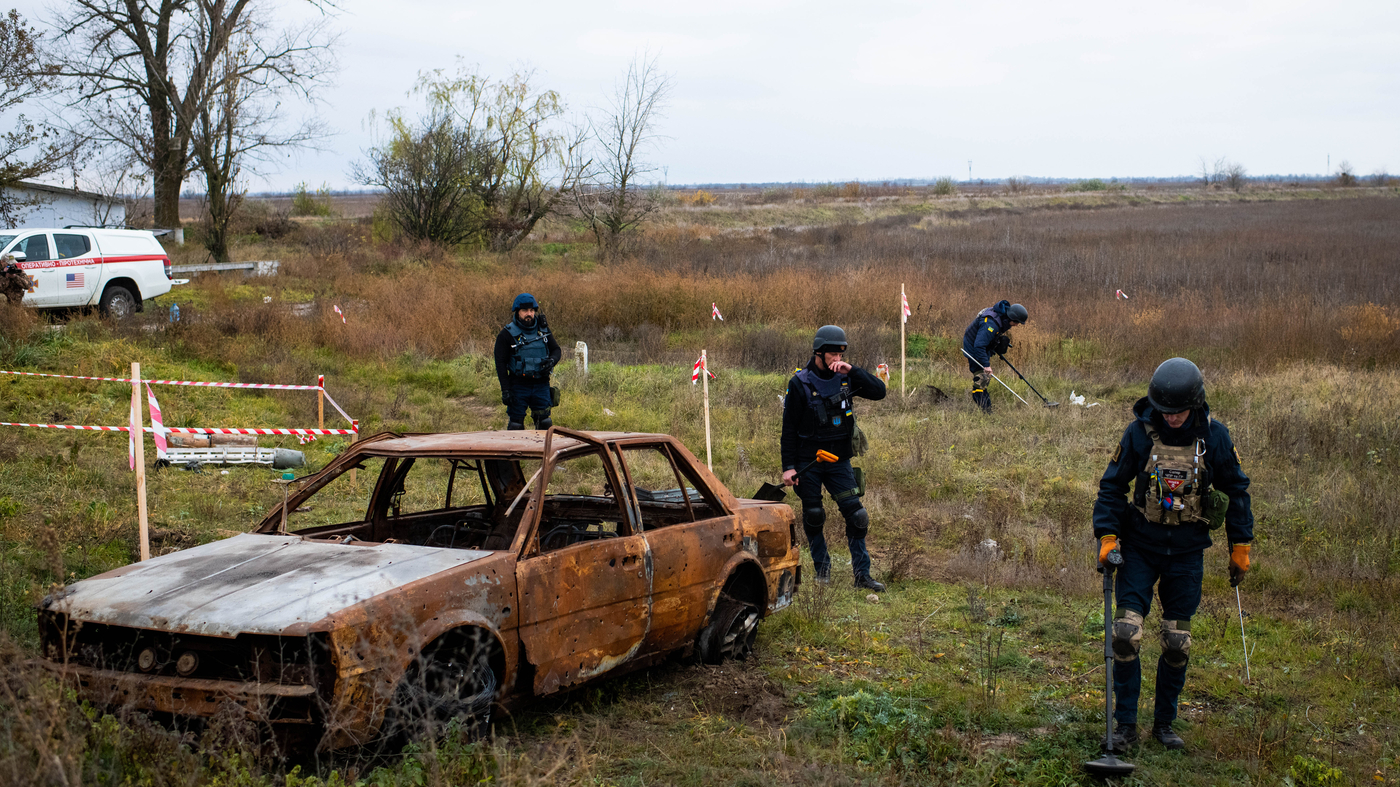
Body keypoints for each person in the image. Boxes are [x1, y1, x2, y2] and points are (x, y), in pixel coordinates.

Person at [1093, 357, 1254, 752]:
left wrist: (1241, 545)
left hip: (1186, 553)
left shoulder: (1215, 438)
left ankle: (1164, 723)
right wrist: (1108, 537)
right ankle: (1125, 726)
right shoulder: (1138, 434)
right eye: (1166, 411)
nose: (1173, 418)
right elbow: (1112, 487)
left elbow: (1237, 491)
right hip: (1139, 549)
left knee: (1177, 642)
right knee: (1125, 635)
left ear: (1195, 403)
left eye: (1180, 411)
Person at [781, 325, 888, 591]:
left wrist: (852, 371)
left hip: (839, 460)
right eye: (832, 354)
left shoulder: (847, 377)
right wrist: (788, 467)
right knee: (814, 515)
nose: (837, 359)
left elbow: (880, 391)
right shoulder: (800, 383)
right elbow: (788, 429)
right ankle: (822, 571)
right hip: (809, 461)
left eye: (841, 354)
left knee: (857, 516)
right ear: (819, 352)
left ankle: (862, 576)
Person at [493, 293, 561, 430]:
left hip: (541, 384)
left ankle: (542, 451)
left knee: (545, 423)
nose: (529, 314)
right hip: (518, 385)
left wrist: (551, 361)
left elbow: (556, 350)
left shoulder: (543, 331)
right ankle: (517, 452)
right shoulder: (507, 334)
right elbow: (500, 363)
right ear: (517, 312)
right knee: (516, 425)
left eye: (531, 310)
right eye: (525, 311)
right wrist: (505, 389)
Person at [961, 300, 1027, 412]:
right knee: (982, 378)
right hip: (973, 349)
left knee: (985, 378)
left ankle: (985, 405)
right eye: (1017, 322)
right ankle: (986, 411)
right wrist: (986, 365)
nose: (1017, 325)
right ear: (1012, 318)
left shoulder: (1001, 317)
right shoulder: (990, 324)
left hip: (982, 346)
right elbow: (979, 345)